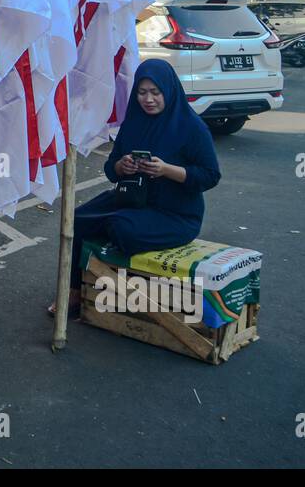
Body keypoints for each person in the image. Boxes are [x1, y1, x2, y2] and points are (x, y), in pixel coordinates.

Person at [48, 59, 222, 317]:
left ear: (169, 91)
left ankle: (107, 272)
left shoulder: (191, 127)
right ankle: (74, 290)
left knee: (122, 228)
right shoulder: (134, 121)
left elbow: (210, 175)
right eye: (142, 92)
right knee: (78, 219)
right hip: (132, 200)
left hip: (176, 214)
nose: (148, 99)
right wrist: (121, 166)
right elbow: (110, 169)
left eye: (155, 92)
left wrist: (167, 170)